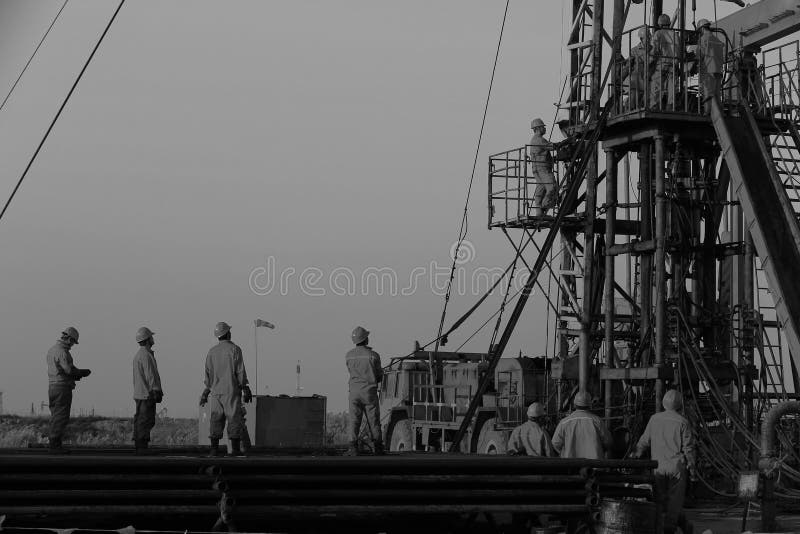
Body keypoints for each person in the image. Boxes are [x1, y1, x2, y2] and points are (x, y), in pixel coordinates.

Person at [631, 390, 696, 534]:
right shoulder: (683, 422)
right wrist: (692, 469)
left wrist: (635, 455)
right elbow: (689, 449)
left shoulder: (654, 419)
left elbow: (644, 441)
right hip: (676, 468)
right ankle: (671, 528)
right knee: (674, 501)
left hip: (658, 467)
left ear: (663, 403)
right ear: (680, 404)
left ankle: (668, 525)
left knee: (660, 500)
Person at [199, 321, 252, 457]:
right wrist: (245, 387)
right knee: (234, 419)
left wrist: (206, 392)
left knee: (216, 419)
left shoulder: (212, 352)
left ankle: (214, 450)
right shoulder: (235, 350)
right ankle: (235, 450)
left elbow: (208, 375)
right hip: (231, 391)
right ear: (227, 333)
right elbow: (240, 371)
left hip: (216, 392)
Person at [46, 327, 91, 454]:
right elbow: (69, 370)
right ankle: (55, 446)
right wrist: (81, 373)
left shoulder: (52, 350)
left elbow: (62, 369)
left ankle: (54, 443)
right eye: (73, 342)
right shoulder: (62, 352)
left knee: (56, 415)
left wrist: (77, 373)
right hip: (62, 388)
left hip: (53, 387)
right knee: (61, 416)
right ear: (69, 339)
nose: (72, 345)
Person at [346, 326, 384, 455]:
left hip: (354, 393)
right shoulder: (374, 356)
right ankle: (378, 448)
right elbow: (379, 376)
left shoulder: (348, 356)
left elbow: (351, 371)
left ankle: (352, 448)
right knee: (374, 420)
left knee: (354, 420)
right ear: (365, 339)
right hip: (369, 393)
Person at [551, 391, 612, 459]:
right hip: (594, 463)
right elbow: (608, 442)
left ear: (574, 404)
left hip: (570, 463)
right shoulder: (597, 421)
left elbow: (555, 443)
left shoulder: (564, 422)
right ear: (590, 405)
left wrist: (564, 453)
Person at [132, 327, 163, 455]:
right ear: (147, 339)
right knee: (145, 420)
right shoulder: (146, 355)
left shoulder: (140, 355)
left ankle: (140, 446)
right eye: (151, 337)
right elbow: (150, 375)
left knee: (142, 420)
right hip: (146, 394)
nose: (152, 338)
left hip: (141, 393)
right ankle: (142, 448)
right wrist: (156, 390)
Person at [528, 118, 558, 216]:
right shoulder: (539, 140)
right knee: (552, 187)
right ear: (537, 128)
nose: (544, 129)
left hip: (537, 168)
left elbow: (543, 153)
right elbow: (552, 147)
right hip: (543, 169)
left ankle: (539, 212)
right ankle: (545, 206)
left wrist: (552, 158)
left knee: (541, 188)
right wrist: (565, 142)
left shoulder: (534, 140)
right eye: (542, 127)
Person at [695, 19, 724, 114]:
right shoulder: (717, 40)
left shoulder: (703, 39)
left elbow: (699, 56)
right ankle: (721, 114)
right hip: (718, 71)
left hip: (708, 70)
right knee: (717, 95)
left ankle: (707, 113)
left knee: (708, 94)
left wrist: (695, 65)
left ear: (702, 29)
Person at [649, 14, 677, 110]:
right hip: (673, 64)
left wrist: (650, 62)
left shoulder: (658, 33)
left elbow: (654, 50)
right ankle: (671, 105)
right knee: (672, 86)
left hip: (662, 63)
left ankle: (654, 105)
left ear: (660, 24)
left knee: (656, 83)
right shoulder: (675, 34)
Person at [623, 27, 650, 110]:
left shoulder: (653, 49)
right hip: (637, 79)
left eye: (649, 37)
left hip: (649, 77)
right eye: (647, 37)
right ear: (641, 38)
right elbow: (628, 65)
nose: (649, 39)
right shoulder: (634, 50)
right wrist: (622, 76)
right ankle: (629, 109)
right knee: (633, 99)